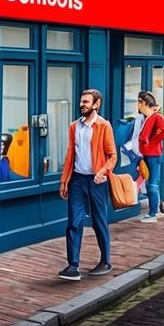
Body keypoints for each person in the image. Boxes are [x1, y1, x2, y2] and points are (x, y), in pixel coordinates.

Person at [58, 88, 117, 280]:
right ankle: (73, 266)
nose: (82, 104)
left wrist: (103, 171)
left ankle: (105, 261)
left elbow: (112, 155)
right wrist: (64, 180)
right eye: (81, 101)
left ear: (96, 104)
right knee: (73, 222)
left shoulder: (103, 126)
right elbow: (70, 155)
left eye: (86, 102)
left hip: (96, 181)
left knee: (99, 221)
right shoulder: (75, 126)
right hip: (77, 180)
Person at [135, 91, 164, 223]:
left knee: (152, 184)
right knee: (152, 183)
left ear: (146, 104)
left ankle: (153, 213)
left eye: (140, 102)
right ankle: (157, 211)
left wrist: (152, 142)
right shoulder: (147, 118)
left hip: (153, 154)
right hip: (148, 154)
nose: (138, 105)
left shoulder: (156, 117)